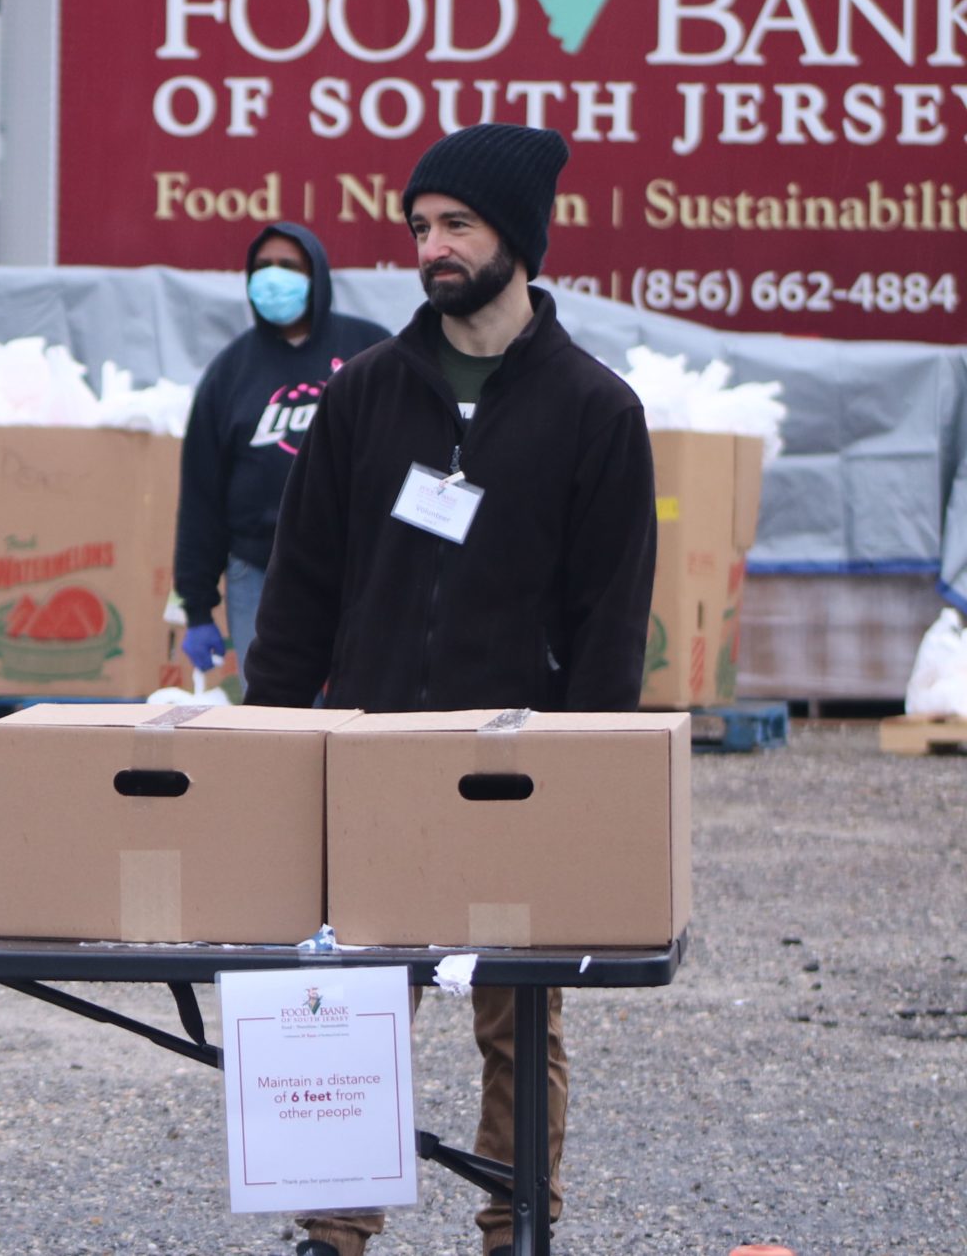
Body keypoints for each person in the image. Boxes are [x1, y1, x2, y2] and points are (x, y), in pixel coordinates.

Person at [244, 124, 656, 1256]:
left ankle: (514, 1225)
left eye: (457, 225)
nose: (432, 245)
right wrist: (267, 741)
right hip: (373, 754)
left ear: (516, 238)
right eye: (421, 225)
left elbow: (610, 622)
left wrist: (582, 776)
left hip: (514, 770)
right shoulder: (365, 395)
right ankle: (333, 1231)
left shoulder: (596, 411)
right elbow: (301, 587)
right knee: (349, 1005)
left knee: (517, 1018)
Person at [172, 223, 384, 685]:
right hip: (258, 573)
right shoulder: (231, 370)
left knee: (362, 704)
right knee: (275, 711)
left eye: (289, 266)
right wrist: (197, 606)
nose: (273, 277)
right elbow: (201, 494)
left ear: (317, 275)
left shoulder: (370, 350)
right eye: (263, 266)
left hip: (360, 571)